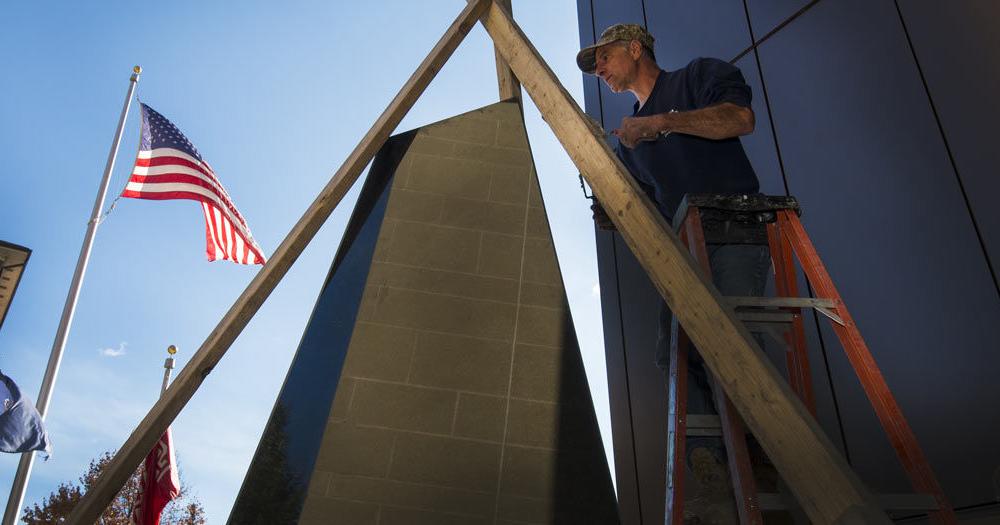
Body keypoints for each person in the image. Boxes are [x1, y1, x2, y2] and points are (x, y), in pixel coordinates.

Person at [577, 24, 773, 523]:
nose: (598, 69)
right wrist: (605, 193)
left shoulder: (699, 76)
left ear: (634, 48)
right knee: (678, 356)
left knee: (732, 347)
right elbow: (640, 209)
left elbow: (738, 119)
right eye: (593, 64)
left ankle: (769, 458)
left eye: (602, 57)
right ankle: (714, 480)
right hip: (685, 252)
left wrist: (661, 123)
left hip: (732, 229)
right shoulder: (630, 142)